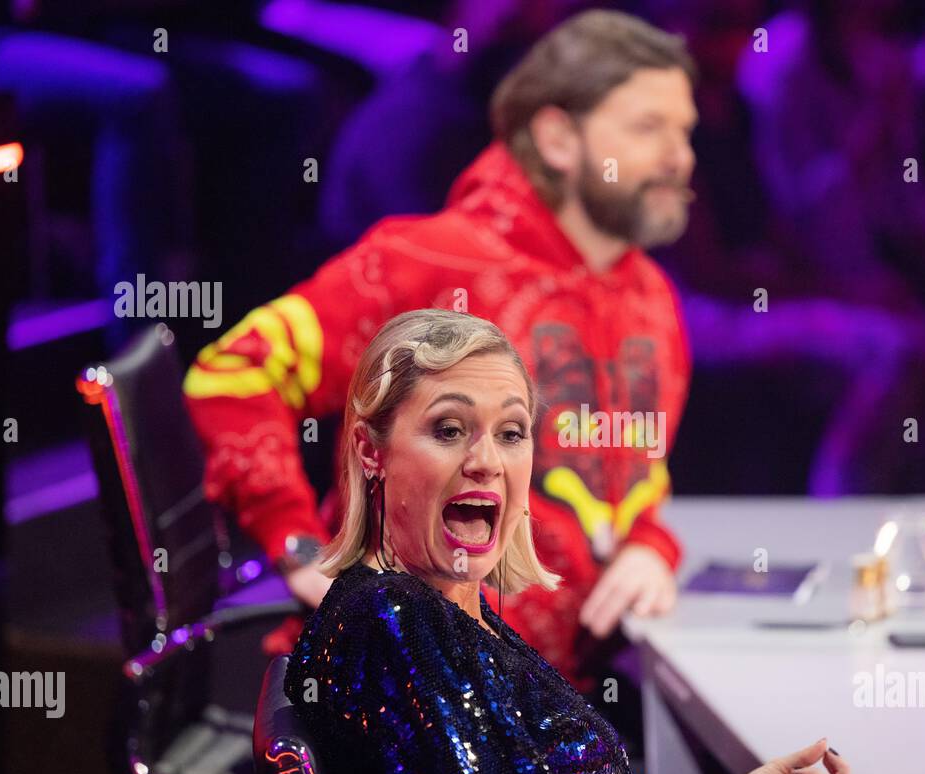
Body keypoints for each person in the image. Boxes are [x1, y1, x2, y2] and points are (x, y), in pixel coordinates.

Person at [184, 10, 698, 694]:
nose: (680, 157)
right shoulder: (424, 264)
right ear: (557, 138)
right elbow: (235, 370)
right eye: (647, 128)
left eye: (685, 130)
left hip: (562, 703)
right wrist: (299, 546)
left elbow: (634, 482)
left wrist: (648, 548)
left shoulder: (650, 300)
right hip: (404, 700)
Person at [283, 308, 852, 774]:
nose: (485, 461)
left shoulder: (453, 612)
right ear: (370, 450)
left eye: (511, 433)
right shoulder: (396, 622)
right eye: (449, 430)